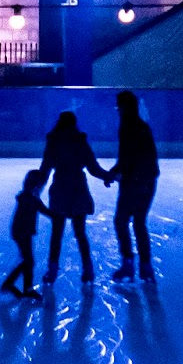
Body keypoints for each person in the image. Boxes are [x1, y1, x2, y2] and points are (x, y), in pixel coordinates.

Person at [99, 91, 160, 282]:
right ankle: (146, 266)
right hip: (149, 181)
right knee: (140, 222)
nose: (118, 111)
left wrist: (112, 173)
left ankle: (128, 263)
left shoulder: (127, 127)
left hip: (134, 182)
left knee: (121, 221)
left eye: (119, 107)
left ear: (124, 107)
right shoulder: (143, 126)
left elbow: (126, 157)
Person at [38, 110, 105, 284]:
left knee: (56, 233)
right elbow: (93, 168)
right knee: (80, 233)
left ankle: (52, 270)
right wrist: (108, 176)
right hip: (77, 189)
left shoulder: (54, 142)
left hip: (60, 188)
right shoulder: (79, 141)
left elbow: (45, 168)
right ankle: (88, 269)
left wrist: (34, 188)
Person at [1, 169, 52, 299]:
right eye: (41, 186)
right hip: (22, 233)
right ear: (36, 186)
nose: (42, 189)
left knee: (28, 260)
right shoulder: (30, 199)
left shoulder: (29, 197)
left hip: (22, 232)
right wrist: (59, 216)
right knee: (28, 260)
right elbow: (44, 210)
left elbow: (44, 210)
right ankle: (11, 283)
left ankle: (24, 287)